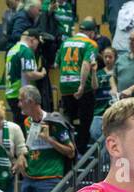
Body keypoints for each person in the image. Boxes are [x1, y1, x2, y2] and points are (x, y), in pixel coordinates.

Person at [19, 84, 74, 192]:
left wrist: (48, 139)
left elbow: (70, 151)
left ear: (30, 101)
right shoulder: (27, 122)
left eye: (21, 100)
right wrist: (22, 156)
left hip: (49, 178)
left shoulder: (54, 121)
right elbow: (29, 145)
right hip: (29, 177)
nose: (19, 104)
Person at [56, 17, 99, 156]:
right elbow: (86, 64)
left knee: (69, 120)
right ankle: (80, 152)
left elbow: (57, 64)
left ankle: (68, 148)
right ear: (92, 33)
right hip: (81, 87)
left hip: (64, 85)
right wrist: (81, 85)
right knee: (85, 122)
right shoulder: (90, 43)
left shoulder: (65, 42)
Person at [5, 28, 45, 125]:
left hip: (10, 91)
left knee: (18, 123)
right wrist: (42, 74)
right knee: (25, 125)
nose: (37, 46)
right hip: (22, 94)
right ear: (32, 40)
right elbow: (29, 74)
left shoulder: (12, 49)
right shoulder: (26, 51)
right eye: (37, 43)